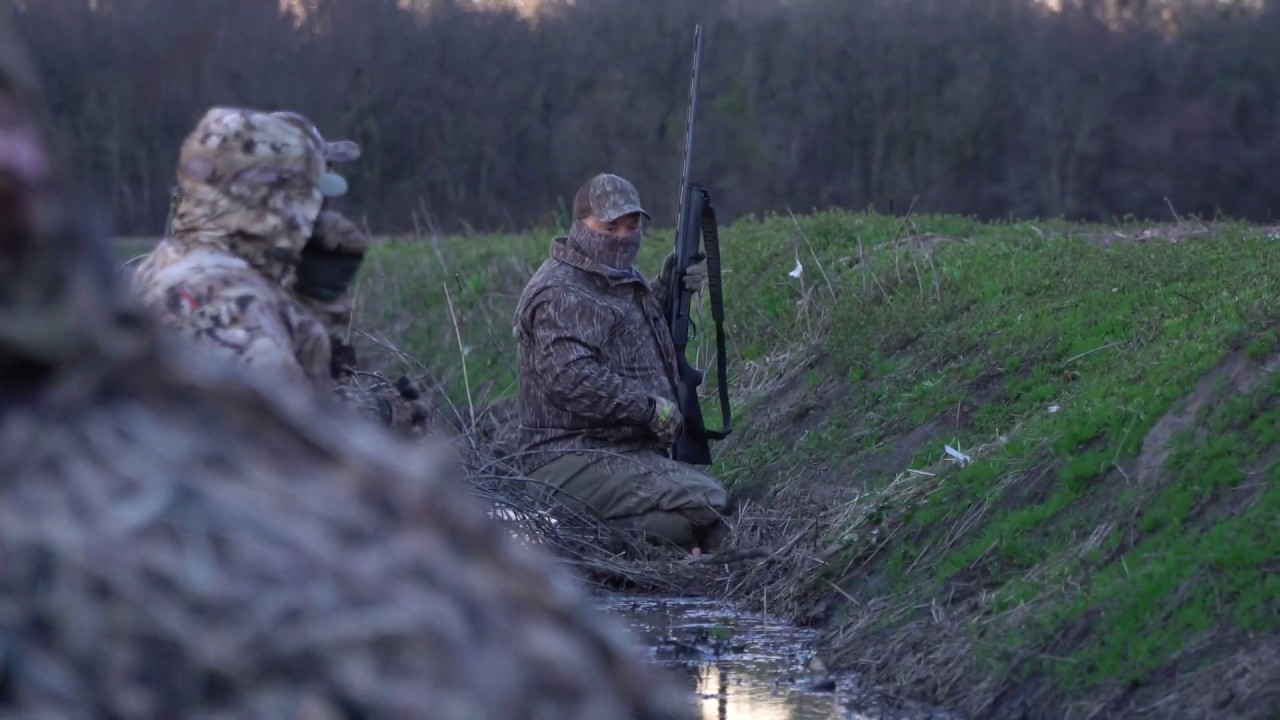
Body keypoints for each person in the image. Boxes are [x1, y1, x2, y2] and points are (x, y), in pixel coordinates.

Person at [0, 20, 695, 718]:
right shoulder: (226, 307)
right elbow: (276, 498)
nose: (326, 215)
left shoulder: (165, 283)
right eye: (310, 197)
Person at [128, 105, 431, 435]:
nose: (319, 217)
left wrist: (317, 314)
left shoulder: (166, 264)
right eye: (307, 198)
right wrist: (379, 420)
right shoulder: (243, 320)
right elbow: (288, 453)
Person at [513, 172, 734, 556]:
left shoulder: (612, 277)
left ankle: (591, 537)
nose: (621, 235)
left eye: (631, 226)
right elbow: (570, 379)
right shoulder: (560, 292)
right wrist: (649, 410)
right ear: (581, 225)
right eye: (608, 225)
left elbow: (625, 337)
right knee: (707, 500)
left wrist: (669, 288)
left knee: (697, 516)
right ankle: (577, 539)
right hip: (567, 457)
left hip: (618, 452)